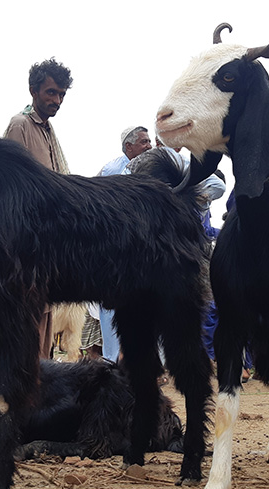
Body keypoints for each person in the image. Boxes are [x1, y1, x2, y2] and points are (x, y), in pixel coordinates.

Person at [4, 58, 74, 360]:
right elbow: (10, 189)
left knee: (43, 317)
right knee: (25, 321)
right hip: (26, 245)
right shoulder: (20, 126)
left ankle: (39, 385)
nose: (56, 100)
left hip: (47, 243)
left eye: (61, 94)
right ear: (33, 91)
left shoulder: (48, 129)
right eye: (50, 93)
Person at [94, 126, 155, 363]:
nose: (149, 145)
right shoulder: (111, 170)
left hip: (145, 250)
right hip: (113, 250)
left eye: (149, 141)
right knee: (110, 304)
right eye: (143, 142)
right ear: (129, 147)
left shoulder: (155, 167)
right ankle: (111, 360)